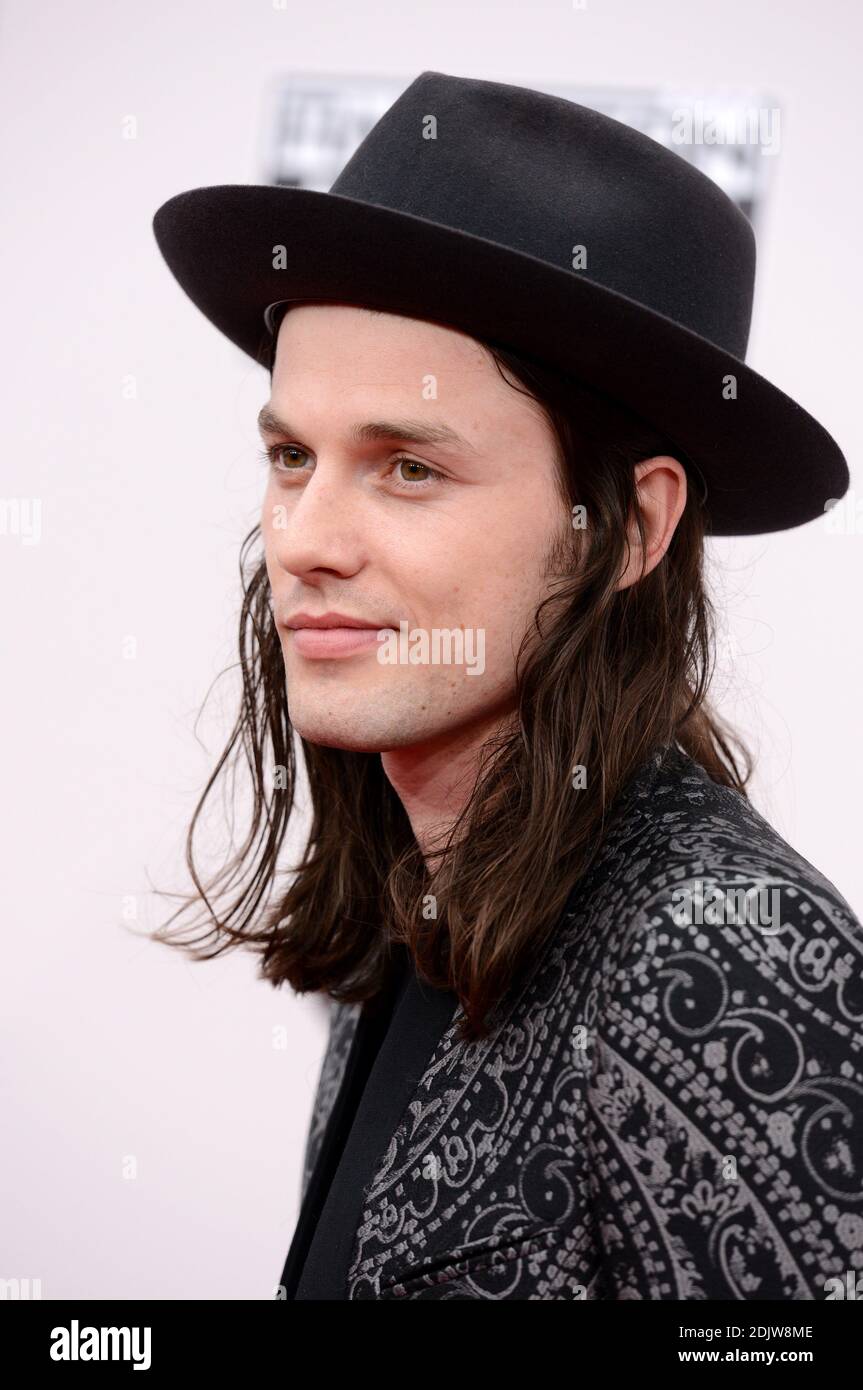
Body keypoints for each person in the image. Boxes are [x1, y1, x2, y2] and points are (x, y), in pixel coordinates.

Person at [150, 70, 862, 1300]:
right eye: (290, 455)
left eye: (409, 467)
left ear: (625, 528)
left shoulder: (724, 954)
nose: (303, 537)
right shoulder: (412, 919)